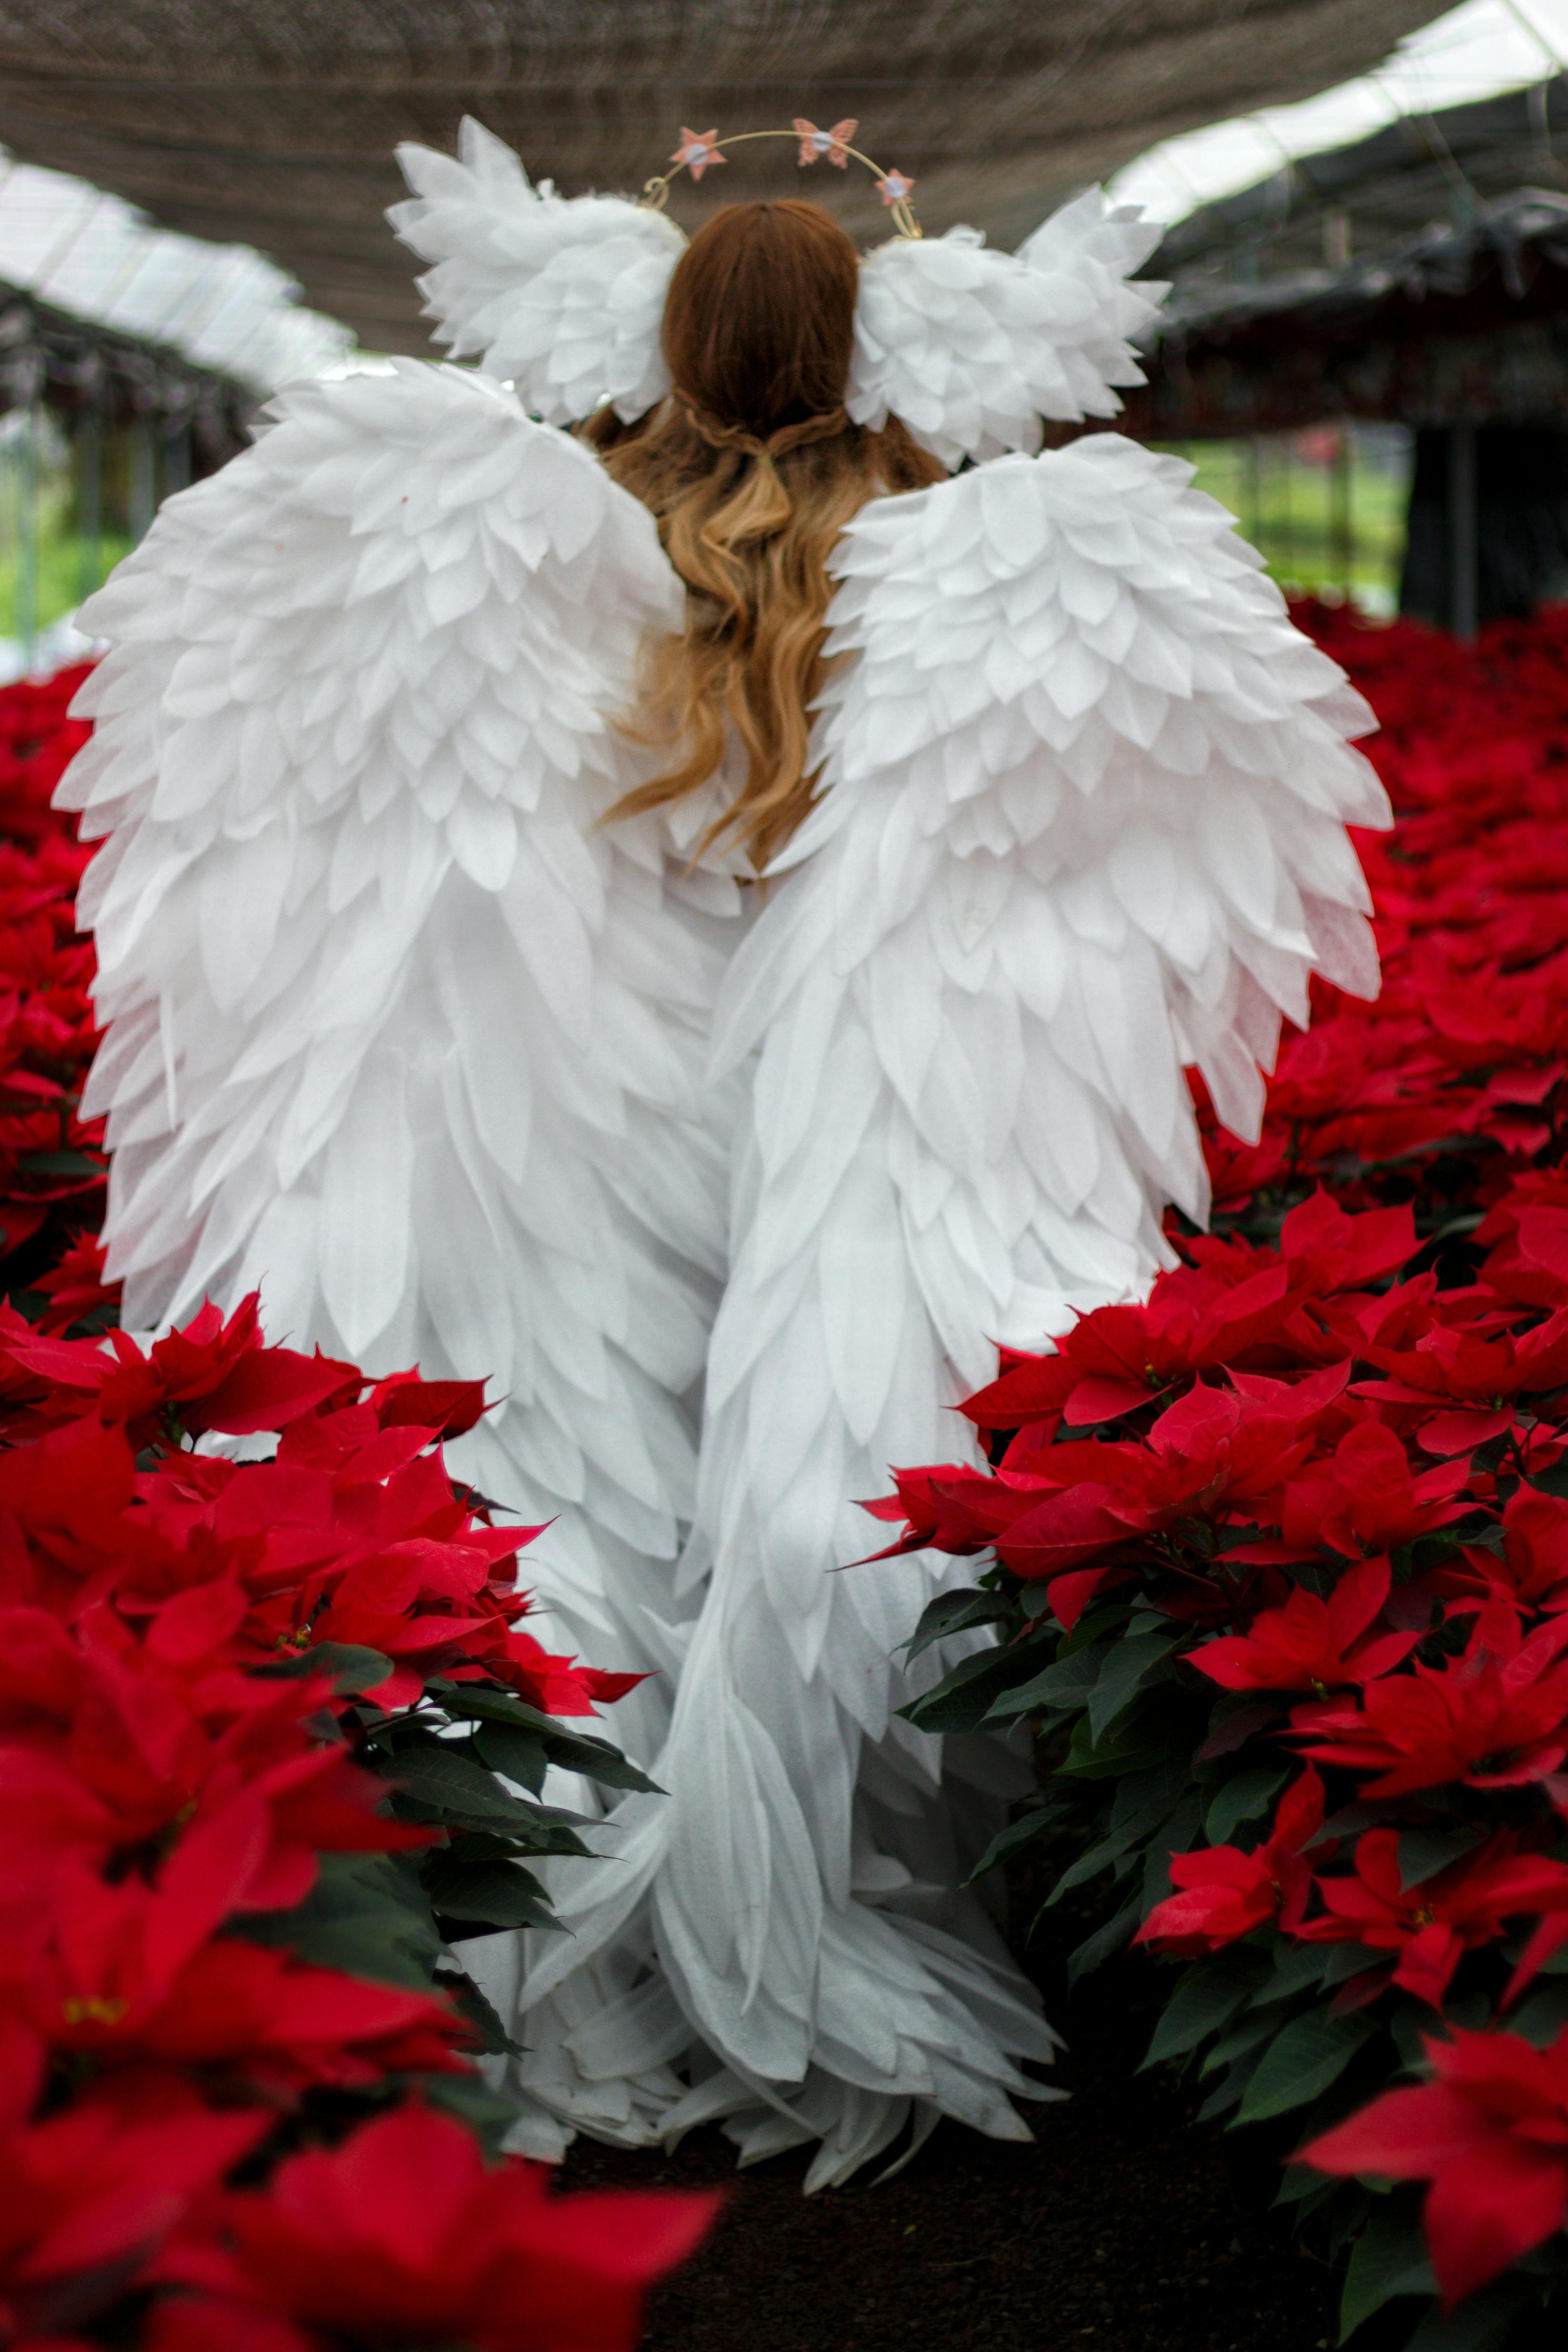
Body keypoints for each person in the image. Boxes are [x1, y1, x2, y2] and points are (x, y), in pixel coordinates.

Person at [57, 118, 1387, 2189]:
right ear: (872, 345)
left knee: (581, 1494)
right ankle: (840, 1885)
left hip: (576, 1116)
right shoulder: (976, 564)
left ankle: (515, 1899)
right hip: (853, 1115)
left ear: (656, 338)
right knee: (800, 1495)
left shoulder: (518, 545)